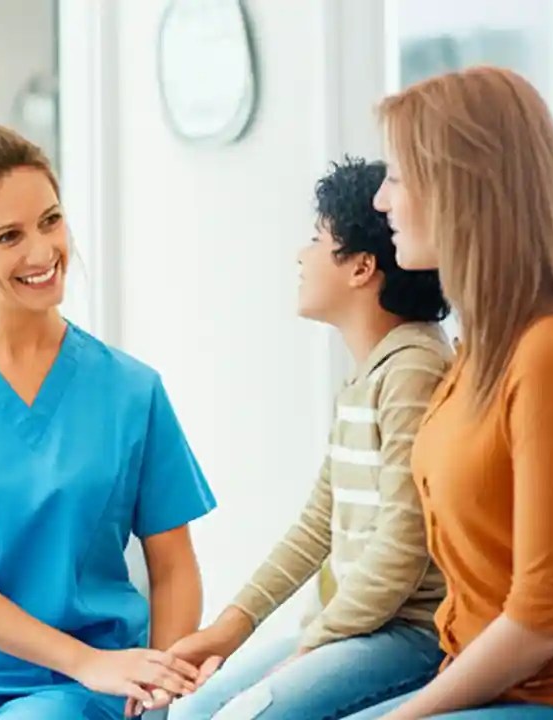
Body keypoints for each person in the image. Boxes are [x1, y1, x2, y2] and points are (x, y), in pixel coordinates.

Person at [0, 122, 218, 719]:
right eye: (8, 236)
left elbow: (174, 565)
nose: (42, 252)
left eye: (51, 220)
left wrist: (157, 688)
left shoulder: (131, 390)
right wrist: (84, 660)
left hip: (80, 683)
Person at [349, 66, 553, 720]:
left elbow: (541, 619)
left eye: (398, 177)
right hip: (501, 683)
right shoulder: (480, 351)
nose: (381, 202)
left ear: (464, 188)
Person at [165, 156, 454, 720]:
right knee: (191, 711)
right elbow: (316, 526)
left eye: (318, 238)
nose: (301, 255)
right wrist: (228, 630)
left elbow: (402, 547)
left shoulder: (414, 370)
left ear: (361, 267)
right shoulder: (367, 373)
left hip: (408, 636)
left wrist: (311, 645)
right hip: (356, 629)